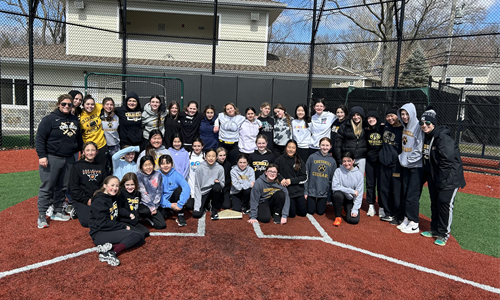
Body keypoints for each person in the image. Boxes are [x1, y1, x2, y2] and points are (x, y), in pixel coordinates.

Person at [420, 108, 466, 246]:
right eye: (422, 123)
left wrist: (441, 180)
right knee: (435, 203)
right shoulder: (428, 136)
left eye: (428, 122)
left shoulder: (443, 138)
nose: (424, 125)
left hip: (449, 179)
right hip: (436, 177)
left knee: (445, 204)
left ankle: (443, 233)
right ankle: (434, 229)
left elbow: (447, 161)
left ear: (433, 123)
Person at [35, 94, 83, 228]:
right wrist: (42, 156)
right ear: (58, 104)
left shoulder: (74, 120)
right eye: (64, 104)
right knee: (47, 186)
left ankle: (57, 211)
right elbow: (40, 139)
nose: (67, 106)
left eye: (69, 104)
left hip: (68, 158)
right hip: (52, 157)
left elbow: (78, 139)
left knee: (62, 186)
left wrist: (82, 149)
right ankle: (42, 215)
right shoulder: (49, 119)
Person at [89, 175, 145, 266]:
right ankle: (111, 253)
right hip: (100, 233)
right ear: (105, 185)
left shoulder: (112, 196)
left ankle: (110, 247)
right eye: (112, 185)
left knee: (141, 236)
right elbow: (102, 223)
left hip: (110, 228)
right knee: (136, 236)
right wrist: (123, 226)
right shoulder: (99, 201)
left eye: (117, 186)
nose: (115, 188)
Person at [397, 103, 425, 233]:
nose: (404, 116)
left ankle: (414, 222)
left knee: (412, 195)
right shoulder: (405, 126)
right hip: (406, 165)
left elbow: (419, 149)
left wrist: (408, 160)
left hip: (415, 167)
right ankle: (407, 218)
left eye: (407, 114)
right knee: (405, 193)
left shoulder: (418, 127)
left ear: (412, 113)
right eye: (402, 114)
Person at [70, 141, 107, 228]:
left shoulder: (100, 166)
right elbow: (74, 187)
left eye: (93, 150)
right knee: (87, 222)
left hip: (97, 198)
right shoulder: (77, 166)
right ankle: (75, 209)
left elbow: (104, 184)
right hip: (82, 200)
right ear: (83, 152)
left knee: (107, 217)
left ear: (97, 152)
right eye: (88, 150)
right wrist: (86, 200)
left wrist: (97, 198)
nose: (90, 153)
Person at [378, 107, 404, 223]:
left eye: (392, 115)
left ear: (397, 116)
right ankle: (388, 212)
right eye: (388, 116)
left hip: (396, 165)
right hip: (384, 163)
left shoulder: (403, 129)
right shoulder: (385, 127)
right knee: (384, 189)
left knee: (396, 190)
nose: (390, 118)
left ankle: (398, 215)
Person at [305, 137, 337, 215]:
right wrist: (306, 191)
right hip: (312, 191)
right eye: (323, 145)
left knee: (320, 212)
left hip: (323, 193)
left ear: (330, 146)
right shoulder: (312, 157)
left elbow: (332, 180)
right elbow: (306, 175)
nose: (325, 147)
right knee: (311, 211)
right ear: (319, 146)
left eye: (327, 145)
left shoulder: (332, 161)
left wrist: (329, 197)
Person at [275, 140, 307, 218]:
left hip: (298, 190)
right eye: (289, 147)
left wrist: (291, 181)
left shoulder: (299, 160)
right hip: (287, 191)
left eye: (293, 148)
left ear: (296, 149)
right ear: (286, 148)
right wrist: (281, 179)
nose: (291, 149)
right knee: (292, 214)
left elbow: (304, 177)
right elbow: (274, 172)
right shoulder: (279, 160)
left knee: (303, 213)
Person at [190, 148, 225, 220]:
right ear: (205, 157)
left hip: (214, 190)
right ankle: (206, 203)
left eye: (213, 156)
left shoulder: (220, 168)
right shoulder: (200, 168)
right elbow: (197, 186)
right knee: (196, 214)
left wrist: (218, 183)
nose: (211, 158)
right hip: (203, 192)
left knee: (217, 187)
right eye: (209, 156)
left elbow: (222, 183)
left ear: (216, 157)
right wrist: (197, 206)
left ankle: (214, 209)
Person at [331, 151, 364, 226]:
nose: (346, 163)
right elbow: (334, 186)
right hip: (341, 196)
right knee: (337, 195)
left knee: (353, 220)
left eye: (349, 161)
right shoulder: (338, 171)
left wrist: (355, 209)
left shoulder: (359, 175)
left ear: (353, 161)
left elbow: (359, 193)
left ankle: (345, 209)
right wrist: (351, 191)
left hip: (351, 199)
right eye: (344, 161)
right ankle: (338, 217)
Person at [159, 155, 191, 227]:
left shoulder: (176, 175)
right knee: (159, 221)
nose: (165, 166)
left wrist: (180, 204)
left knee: (179, 190)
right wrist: (169, 205)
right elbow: (156, 194)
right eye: (163, 164)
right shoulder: (156, 176)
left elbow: (186, 188)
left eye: (168, 163)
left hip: (174, 199)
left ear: (172, 164)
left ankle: (180, 214)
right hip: (161, 201)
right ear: (159, 165)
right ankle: (169, 210)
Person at [334, 106, 367, 174]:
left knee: (359, 178)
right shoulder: (345, 126)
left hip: (361, 157)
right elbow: (338, 143)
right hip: (348, 157)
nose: (356, 117)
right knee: (347, 178)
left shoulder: (366, 126)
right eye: (354, 115)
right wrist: (339, 159)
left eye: (358, 115)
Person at [79, 94, 109, 168]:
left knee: (102, 168)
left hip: (101, 144)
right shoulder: (80, 115)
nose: (90, 106)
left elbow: (108, 107)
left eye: (92, 104)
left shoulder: (97, 107)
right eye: (87, 104)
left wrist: (112, 113)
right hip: (88, 146)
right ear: (83, 105)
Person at [117, 172, 150, 237]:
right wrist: (129, 214)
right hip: (124, 220)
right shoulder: (120, 193)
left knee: (146, 232)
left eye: (132, 184)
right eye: (127, 185)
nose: (130, 187)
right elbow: (119, 208)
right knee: (140, 234)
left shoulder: (137, 193)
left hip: (133, 220)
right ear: (123, 184)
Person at [137, 155, 164, 229]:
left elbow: (159, 191)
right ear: (141, 167)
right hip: (143, 203)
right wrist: (152, 207)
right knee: (145, 212)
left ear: (154, 165)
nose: (148, 167)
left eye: (150, 164)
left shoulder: (158, 174)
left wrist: (155, 206)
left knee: (161, 225)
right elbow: (143, 193)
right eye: (145, 165)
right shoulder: (139, 176)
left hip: (154, 204)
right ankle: (144, 216)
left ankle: (148, 218)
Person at [365, 111, 384, 217]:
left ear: (377, 119)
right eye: (368, 118)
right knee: (370, 183)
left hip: (381, 162)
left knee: (381, 185)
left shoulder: (383, 128)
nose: (370, 120)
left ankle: (381, 207)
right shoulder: (366, 130)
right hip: (370, 161)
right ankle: (371, 205)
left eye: (373, 118)